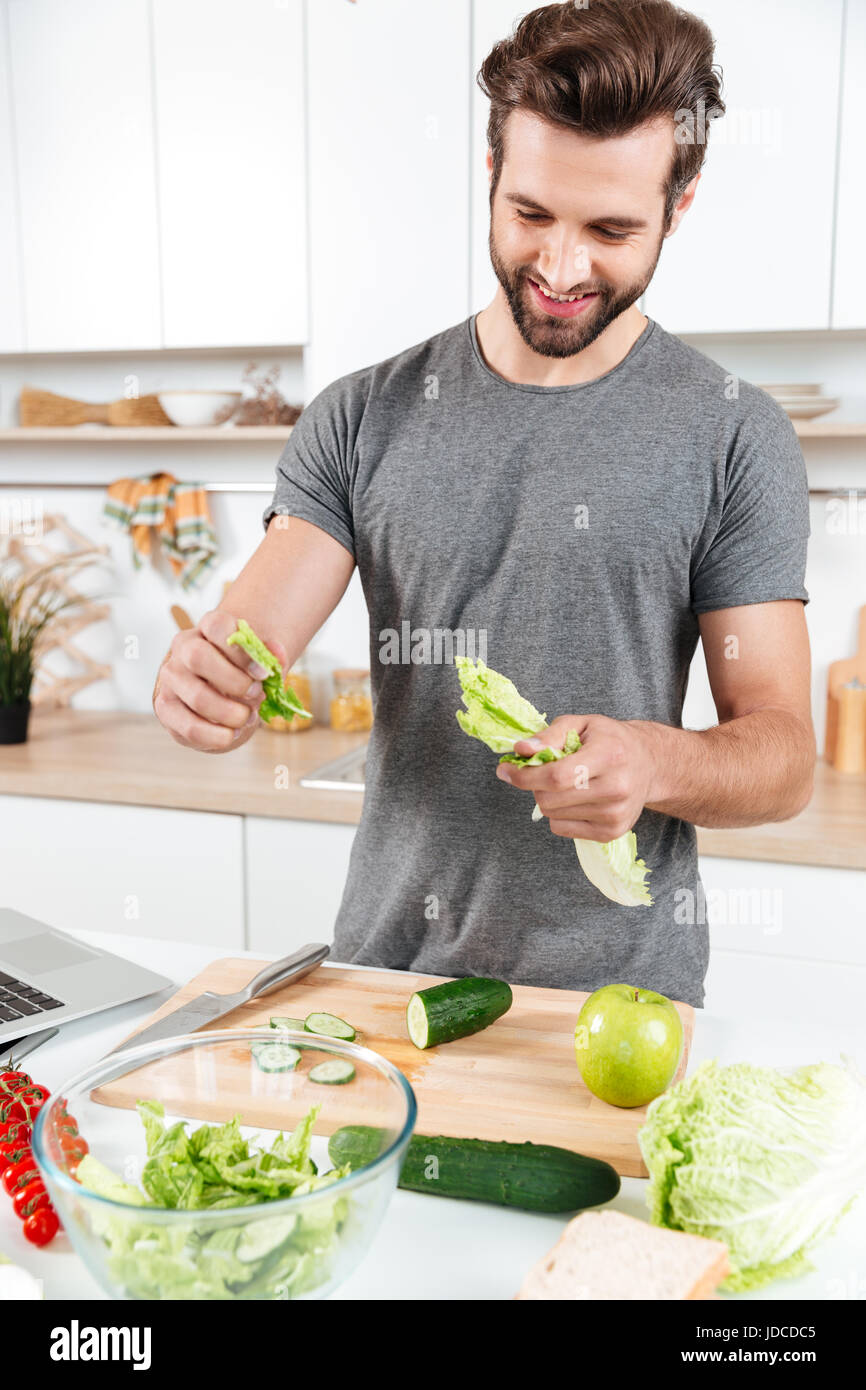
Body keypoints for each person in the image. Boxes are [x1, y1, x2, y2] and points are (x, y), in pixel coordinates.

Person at [153, 1, 815, 1009]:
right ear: (489, 175)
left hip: (615, 1009)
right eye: (529, 214)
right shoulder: (360, 416)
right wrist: (204, 685)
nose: (557, 269)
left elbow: (779, 757)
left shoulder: (732, 433)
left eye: (609, 230)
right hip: (382, 983)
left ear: (678, 208)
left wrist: (649, 759)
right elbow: (246, 644)